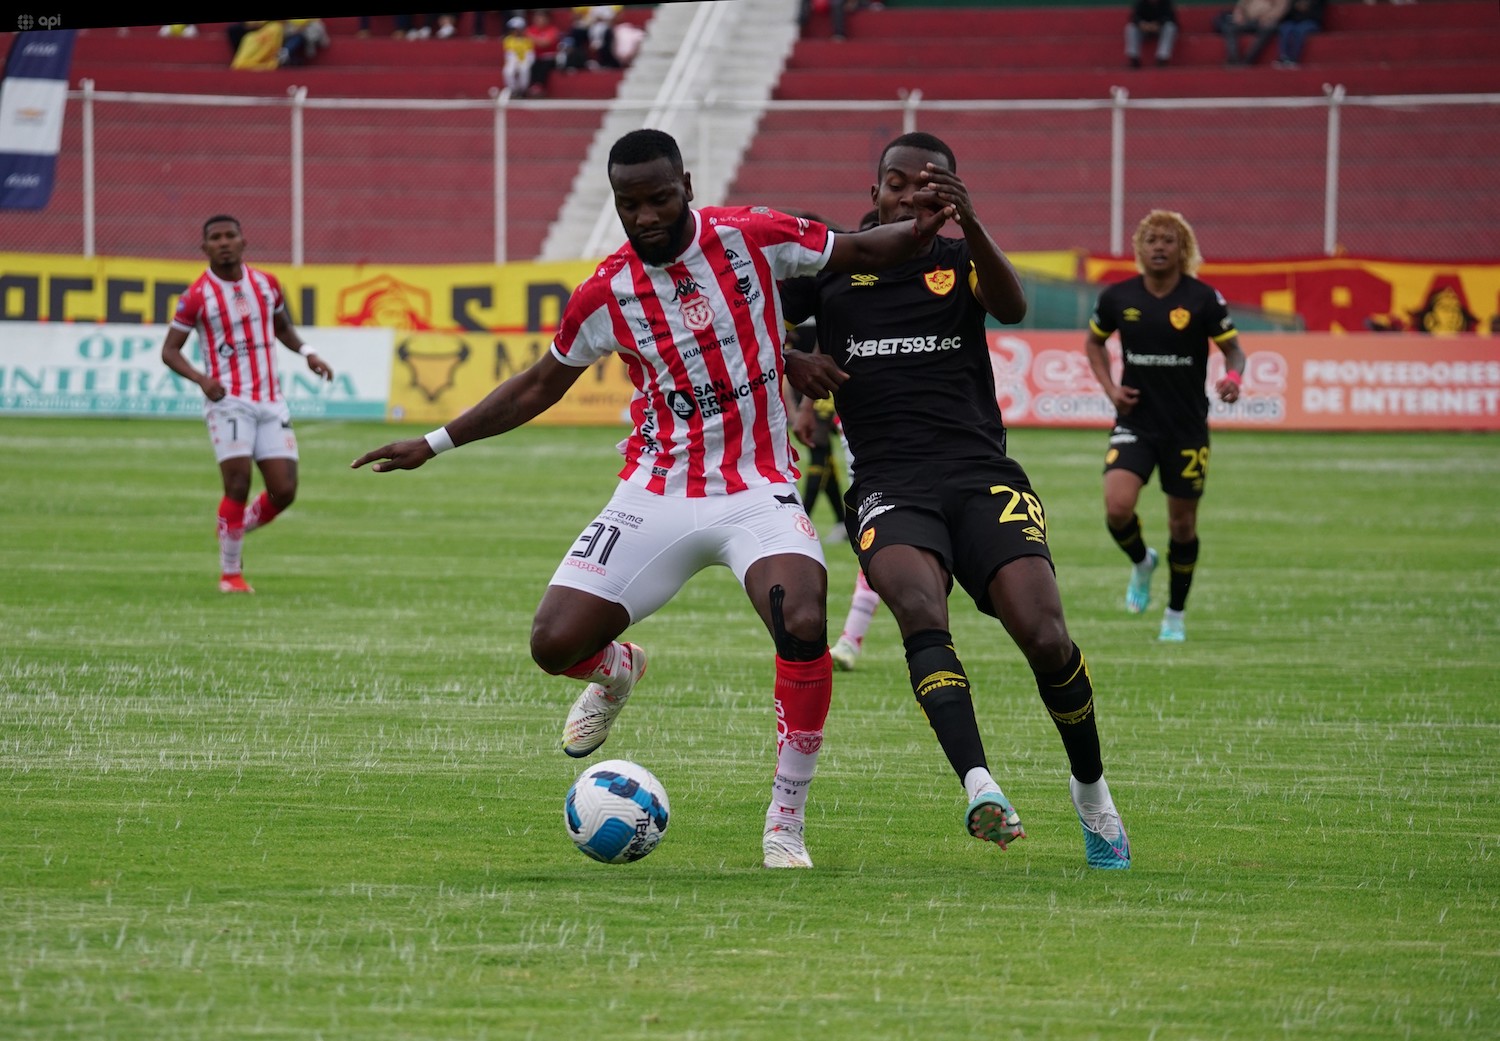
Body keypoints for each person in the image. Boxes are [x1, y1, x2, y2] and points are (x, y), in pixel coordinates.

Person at [351, 128, 957, 870]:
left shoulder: (754, 236)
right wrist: (434, 442)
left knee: (802, 615)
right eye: (629, 203)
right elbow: (541, 383)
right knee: (552, 643)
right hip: (656, 491)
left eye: (659, 198)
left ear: (688, 187)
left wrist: (922, 228)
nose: (645, 216)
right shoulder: (605, 292)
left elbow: (859, 251)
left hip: (755, 488)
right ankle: (617, 669)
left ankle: (784, 822)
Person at [781, 132, 1133, 870]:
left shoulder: (959, 259)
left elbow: (1011, 305)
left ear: (950, 195)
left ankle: (1092, 795)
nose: (910, 195)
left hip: (982, 477)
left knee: (1045, 636)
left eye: (928, 186)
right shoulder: (837, 267)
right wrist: (791, 359)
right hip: (888, 484)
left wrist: (972, 227)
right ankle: (980, 785)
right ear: (874, 191)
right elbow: (743, 318)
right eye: (896, 183)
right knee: (918, 609)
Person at [1083, 210, 1246, 644]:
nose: (1159, 246)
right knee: (1117, 509)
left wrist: (1233, 378)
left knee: (1182, 527)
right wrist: (1110, 389)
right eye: (1151, 239)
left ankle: (1174, 615)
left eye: (1168, 240)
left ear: (1182, 249)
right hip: (1136, 423)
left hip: (1186, 430)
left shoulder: (1203, 299)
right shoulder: (1117, 298)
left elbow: (1235, 351)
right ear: (1140, 248)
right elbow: (1094, 343)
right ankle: (1142, 562)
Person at [160, 215, 334, 594]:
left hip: (271, 400)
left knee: (284, 491)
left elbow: (282, 327)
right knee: (238, 483)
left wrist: (308, 352)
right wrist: (202, 380)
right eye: (215, 238)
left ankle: (233, 528)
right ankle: (230, 573)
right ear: (204, 248)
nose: (224, 242)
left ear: (243, 241)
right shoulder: (196, 296)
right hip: (229, 402)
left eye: (230, 236)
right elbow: (169, 351)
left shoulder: (266, 284)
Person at [1215, 0, 1291, 66]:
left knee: (1269, 29)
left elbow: (1281, 9)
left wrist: (1268, 17)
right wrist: (1239, 15)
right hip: (1248, 20)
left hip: (1266, 22)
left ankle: (1247, 61)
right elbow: (1241, 5)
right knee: (1229, 28)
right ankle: (1234, 60)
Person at [1125, 0, 1178, 68]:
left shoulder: (1166, 3)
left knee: (1170, 27)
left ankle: (1162, 58)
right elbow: (1134, 17)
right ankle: (1134, 57)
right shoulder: (1140, 3)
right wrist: (1142, 24)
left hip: (1160, 29)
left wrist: (1158, 24)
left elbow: (1171, 18)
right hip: (1144, 30)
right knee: (1131, 28)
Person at [1274, 0, 1326, 68]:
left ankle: (1293, 58)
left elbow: (1317, 15)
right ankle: (1284, 57)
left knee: (1299, 31)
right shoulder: (1294, 2)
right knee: (1285, 28)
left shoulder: (1317, 2)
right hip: (1294, 21)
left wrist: (1305, 9)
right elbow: (1288, 15)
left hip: (1311, 22)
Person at [501, 15, 535, 97]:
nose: (515, 32)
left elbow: (530, 54)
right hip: (513, 59)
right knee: (508, 71)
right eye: (513, 29)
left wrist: (526, 62)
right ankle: (513, 90)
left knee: (524, 70)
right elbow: (508, 53)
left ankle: (523, 90)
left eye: (517, 29)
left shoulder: (528, 40)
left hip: (524, 59)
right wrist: (512, 61)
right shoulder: (508, 39)